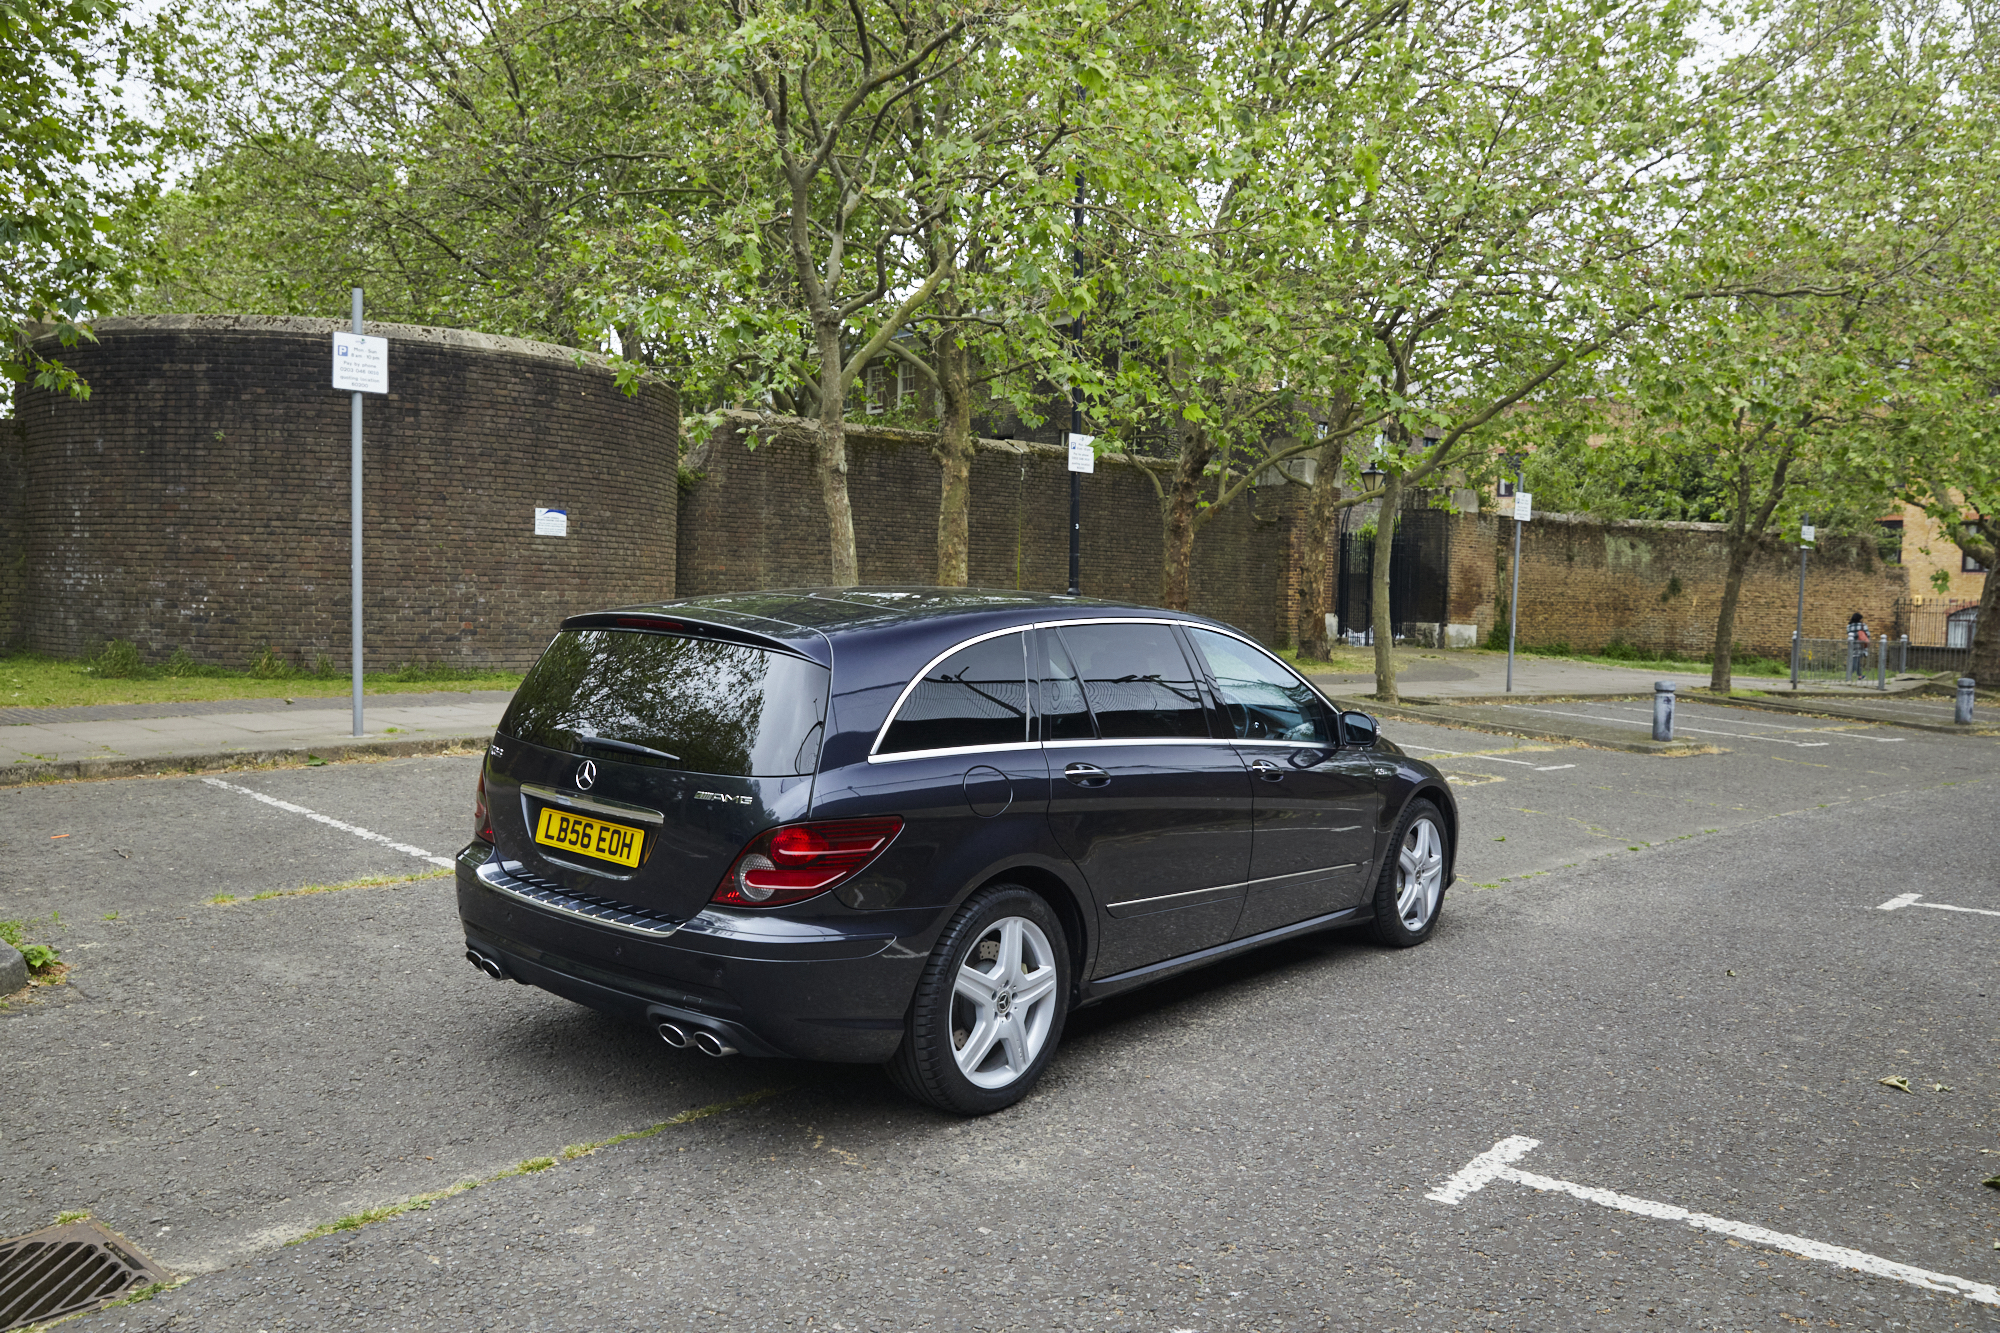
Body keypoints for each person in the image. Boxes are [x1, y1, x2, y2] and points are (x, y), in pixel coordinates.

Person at [1847, 612, 1871, 679]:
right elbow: (1868, 634)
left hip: (1852, 645)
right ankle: (1849, 675)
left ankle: (1859, 675)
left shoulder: (1849, 626)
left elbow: (1848, 633)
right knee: (1855, 660)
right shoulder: (1862, 625)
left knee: (1856, 660)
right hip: (1860, 645)